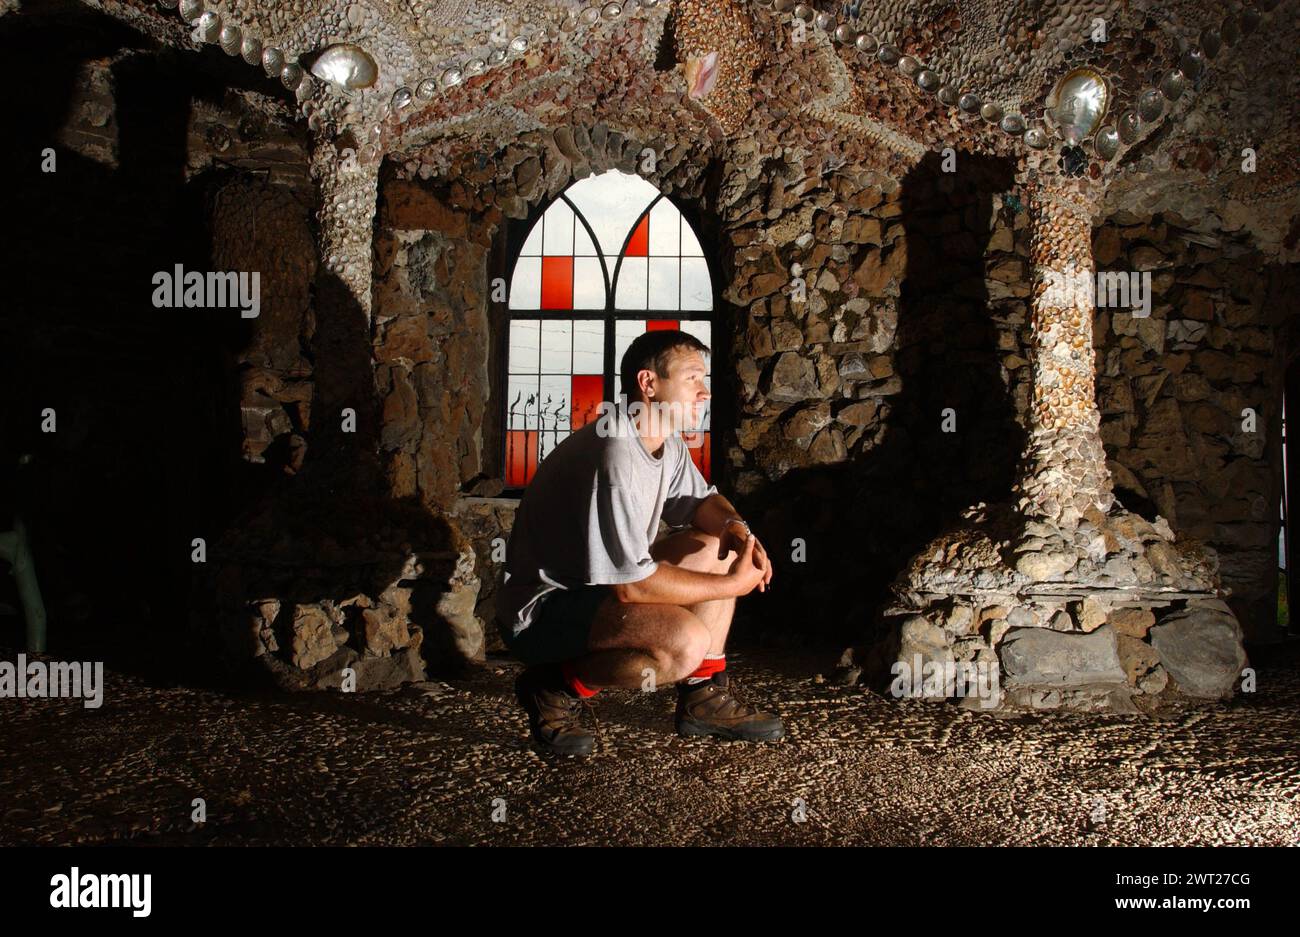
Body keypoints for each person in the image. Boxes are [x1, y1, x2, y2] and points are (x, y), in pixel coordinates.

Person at [497, 329, 783, 755]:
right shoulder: (614, 454)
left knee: (712, 544)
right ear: (649, 384)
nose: (704, 392)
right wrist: (734, 586)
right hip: (545, 612)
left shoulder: (662, 438)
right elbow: (632, 588)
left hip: (599, 593)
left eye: (703, 380)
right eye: (691, 379)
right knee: (684, 643)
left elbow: (702, 502)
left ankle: (702, 697)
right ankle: (553, 686)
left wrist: (740, 532)